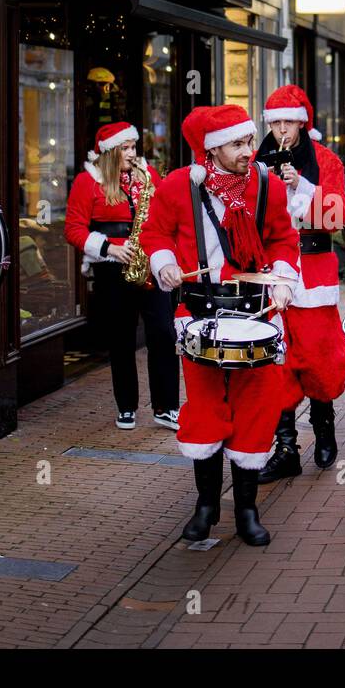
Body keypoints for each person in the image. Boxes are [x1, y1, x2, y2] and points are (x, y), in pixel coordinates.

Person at [140, 104, 299, 546]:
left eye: (249, 141)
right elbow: (155, 233)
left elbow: (284, 238)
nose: (250, 150)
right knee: (206, 411)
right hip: (199, 311)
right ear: (212, 149)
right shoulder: (177, 187)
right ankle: (206, 506)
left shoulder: (266, 185)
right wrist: (165, 262)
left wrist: (284, 279)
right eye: (238, 143)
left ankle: (246, 510)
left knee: (255, 410)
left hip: (255, 312)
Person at [254, 86, 345, 483]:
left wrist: (301, 187)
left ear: (302, 122)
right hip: (272, 271)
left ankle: (324, 425)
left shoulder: (325, 160)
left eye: (287, 122)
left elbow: (337, 216)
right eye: (274, 123)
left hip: (313, 269)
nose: (281, 130)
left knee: (317, 355)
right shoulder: (256, 161)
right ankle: (286, 446)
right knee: (278, 357)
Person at [65, 122, 179, 431]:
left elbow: (164, 214)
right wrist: (110, 249)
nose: (133, 153)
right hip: (112, 267)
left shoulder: (147, 175)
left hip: (148, 263)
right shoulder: (87, 182)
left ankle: (167, 406)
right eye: (125, 148)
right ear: (110, 152)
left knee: (164, 333)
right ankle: (126, 406)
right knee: (121, 338)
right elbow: (73, 229)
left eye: (133, 147)